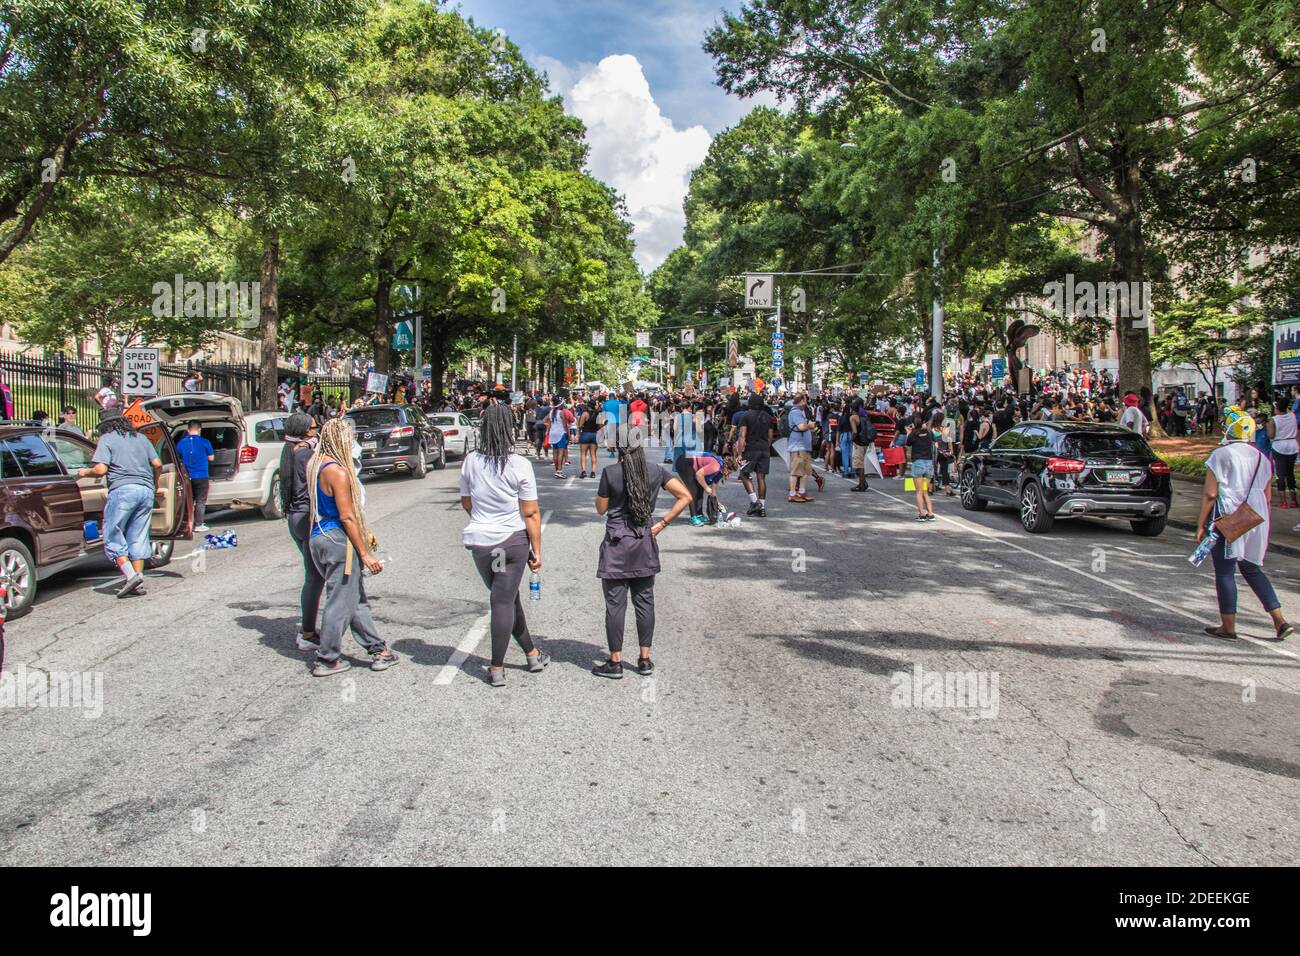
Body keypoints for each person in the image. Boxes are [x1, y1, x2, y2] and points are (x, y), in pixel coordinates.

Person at [459, 402, 547, 687]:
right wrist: (537, 550)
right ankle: (496, 666)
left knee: (505, 598)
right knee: (502, 601)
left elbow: (466, 502)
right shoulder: (520, 464)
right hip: (512, 542)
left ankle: (532, 653)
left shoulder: (471, 461)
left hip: (483, 543)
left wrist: (484, 519)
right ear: (510, 429)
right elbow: (531, 512)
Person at [592, 440, 691, 678]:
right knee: (645, 601)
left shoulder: (611, 472)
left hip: (616, 544)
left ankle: (615, 662)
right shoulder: (656, 470)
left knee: (615, 605)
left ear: (619, 448)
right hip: (644, 540)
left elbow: (600, 508)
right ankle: (644, 659)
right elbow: (685, 496)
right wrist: (663, 523)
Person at [307, 418, 398, 677]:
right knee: (340, 602)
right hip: (337, 538)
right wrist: (364, 553)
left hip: (318, 535)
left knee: (353, 598)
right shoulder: (337, 471)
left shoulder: (314, 464)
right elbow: (347, 516)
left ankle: (377, 649)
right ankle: (327, 657)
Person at [1197, 406, 1293, 642]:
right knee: (1252, 568)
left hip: (1229, 517)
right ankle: (1280, 621)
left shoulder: (1220, 455)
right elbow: (1267, 495)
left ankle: (1228, 626)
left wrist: (1200, 525)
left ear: (1229, 429)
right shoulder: (1261, 457)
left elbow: (1210, 494)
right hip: (1256, 518)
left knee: (1225, 572)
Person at [76, 410, 161, 598]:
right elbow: (157, 463)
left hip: (122, 490)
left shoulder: (107, 439)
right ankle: (138, 578)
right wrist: (154, 484)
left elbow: (100, 469)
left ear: (105, 426)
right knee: (138, 535)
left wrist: (84, 473)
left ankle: (131, 576)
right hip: (146, 490)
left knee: (113, 533)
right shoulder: (140, 438)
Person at [279, 413, 325, 652]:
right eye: (315, 427)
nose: (317, 431)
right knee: (315, 577)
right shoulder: (305, 454)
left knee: (315, 575)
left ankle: (309, 629)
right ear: (304, 431)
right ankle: (307, 633)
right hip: (306, 518)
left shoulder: (290, 451)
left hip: (295, 518)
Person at [736, 394, 775, 517]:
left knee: (743, 474)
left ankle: (754, 501)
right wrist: (765, 446)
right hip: (764, 449)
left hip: (751, 449)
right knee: (761, 478)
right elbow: (770, 437)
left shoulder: (746, 416)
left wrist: (739, 453)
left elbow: (742, 436)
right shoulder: (769, 417)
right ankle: (762, 507)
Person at [175, 420, 215, 531]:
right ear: (200, 429)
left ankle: (187, 525)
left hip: (187, 477)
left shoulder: (181, 443)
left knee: (188, 501)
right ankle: (199, 525)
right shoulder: (205, 442)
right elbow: (211, 458)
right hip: (201, 475)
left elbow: (178, 458)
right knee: (200, 501)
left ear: (188, 430)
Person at [905, 411, 937, 521]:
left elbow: (908, 443)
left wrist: (909, 432)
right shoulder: (928, 432)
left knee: (918, 492)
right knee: (925, 491)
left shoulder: (914, 433)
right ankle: (930, 513)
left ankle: (922, 514)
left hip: (918, 462)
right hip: (928, 463)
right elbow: (934, 441)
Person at [786, 393, 816, 504]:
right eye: (805, 400)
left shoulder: (798, 412)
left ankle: (802, 492)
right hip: (798, 447)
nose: (806, 403)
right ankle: (792, 494)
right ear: (802, 400)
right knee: (796, 471)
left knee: (804, 471)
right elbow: (801, 427)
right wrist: (810, 425)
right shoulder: (796, 412)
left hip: (803, 446)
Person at [577, 399, 600, 479]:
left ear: (588, 405)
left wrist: (579, 434)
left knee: (583, 454)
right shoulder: (598, 414)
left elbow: (580, 425)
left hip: (586, 434)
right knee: (593, 454)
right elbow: (599, 426)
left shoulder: (585, 414)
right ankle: (593, 472)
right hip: (594, 434)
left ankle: (584, 471)